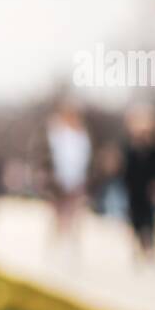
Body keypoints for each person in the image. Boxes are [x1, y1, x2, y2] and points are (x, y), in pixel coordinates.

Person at [121, 105, 155, 261]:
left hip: (149, 189)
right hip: (134, 190)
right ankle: (139, 247)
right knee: (136, 220)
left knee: (151, 219)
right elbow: (126, 169)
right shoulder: (130, 147)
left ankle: (151, 247)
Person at [45, 101, 91, 251]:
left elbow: (84, 160)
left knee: (75, 214)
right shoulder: (57, 135)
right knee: (59, 214)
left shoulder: (82, 136)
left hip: (77, 181)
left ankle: (72, 245)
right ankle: (56, 244)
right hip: (59, 181)